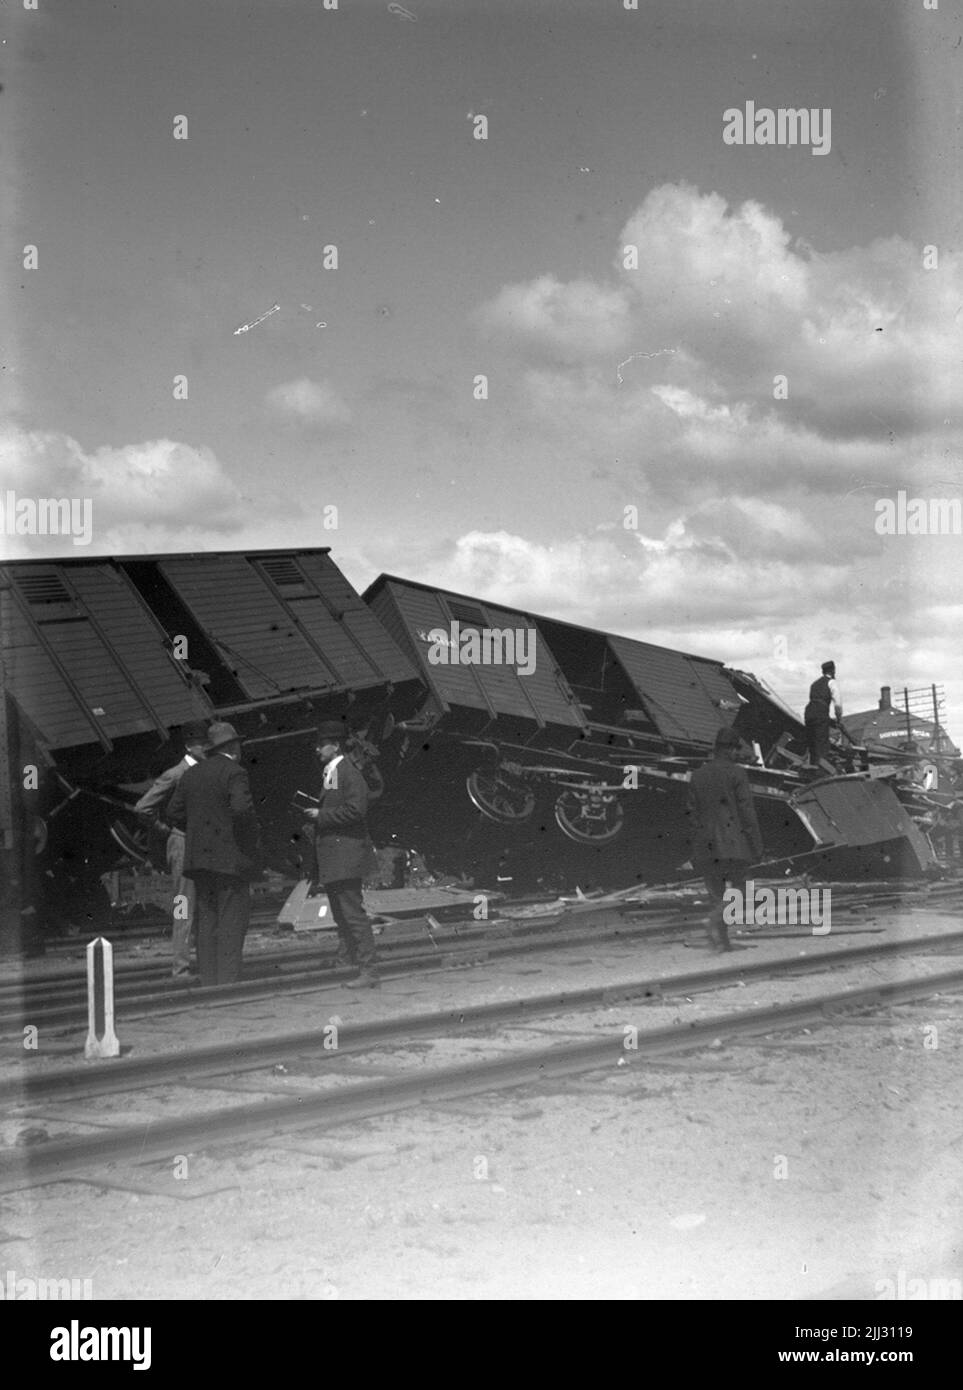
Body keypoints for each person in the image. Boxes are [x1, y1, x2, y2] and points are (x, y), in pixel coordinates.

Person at [167, 721, 261, 986]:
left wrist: (200, 829)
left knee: (206, 921)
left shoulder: (191, 774)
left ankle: (209, 981)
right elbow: (242, 810)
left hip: (198, 862)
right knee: (232, 920)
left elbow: (173, 813)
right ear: (233, 746)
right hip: (229, 860)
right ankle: (228, 981)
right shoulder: (235, 772)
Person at [304, 719, 380, 988]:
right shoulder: (333, 771)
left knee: (353, 914)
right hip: (338, 857)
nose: (317, 749)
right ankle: (346, 962)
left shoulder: (348, 773)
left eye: (321, 745)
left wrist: (321, 815)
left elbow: (356, 810)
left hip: (346, 856)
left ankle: (369, 971)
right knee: (341, 914)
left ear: (335, 746)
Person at [134, 719, 209, 977]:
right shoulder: (175, 774)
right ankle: (181, 966)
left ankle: (193, 962)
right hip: (183, 843)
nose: (207, 748)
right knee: (184, 905)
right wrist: (164, 829)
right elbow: (143, 807)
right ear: (190, 746)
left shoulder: (199, 770)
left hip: (196, 843)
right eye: (203, 744)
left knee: (195, 905)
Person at [686, 726, 764, 952]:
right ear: (730, 749)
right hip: (734, 845)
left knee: (716, 894)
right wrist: (756, 846)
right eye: (736, 749)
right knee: (742, 888)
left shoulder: (698, 775)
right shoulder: (737, 773)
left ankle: (723, 943)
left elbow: (691, 814)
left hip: (706, 847)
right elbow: (747, 813)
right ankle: (713, 921)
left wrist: (697, 843)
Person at [804, 660, 843, 767]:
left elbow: (816, 703)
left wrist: (829, 720)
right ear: (833, 671)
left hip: (809, 713)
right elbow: (838, 704)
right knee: (822, 742)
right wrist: (839, 719)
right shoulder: (832, 682)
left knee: (812, 741)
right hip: (820, 713)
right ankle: (822, 769)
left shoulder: (814, 684)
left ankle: (812, 765)